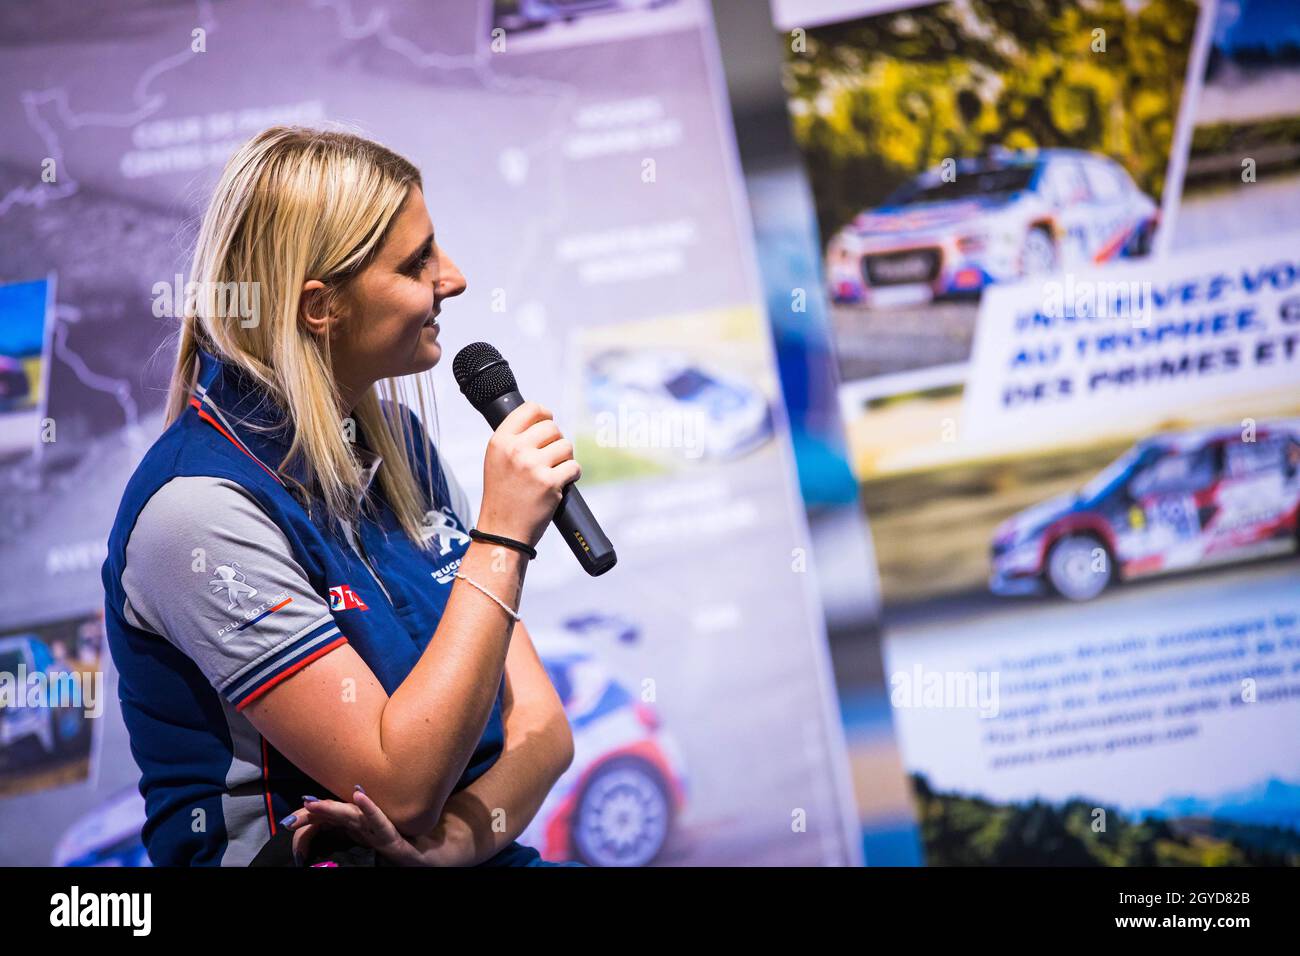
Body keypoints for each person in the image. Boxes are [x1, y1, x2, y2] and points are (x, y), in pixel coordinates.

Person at [102, 126, 580, 866]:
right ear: (320, 307)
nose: (451, 278)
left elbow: (543, 729)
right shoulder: (195, 513)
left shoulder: (396, 439)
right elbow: (399, 789)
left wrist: (455, 844)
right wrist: (503, 539)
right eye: (418, 261)